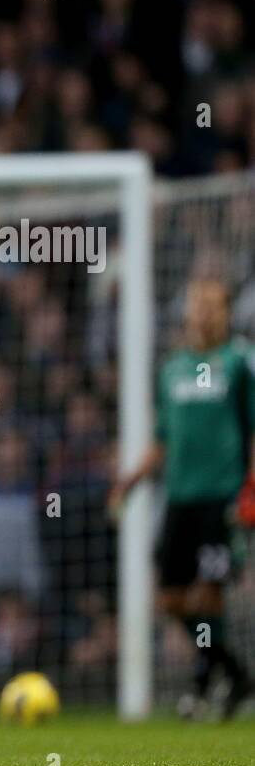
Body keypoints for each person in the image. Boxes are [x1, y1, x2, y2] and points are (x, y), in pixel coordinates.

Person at [111, 278, 253, 718]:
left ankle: (200, 685)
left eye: (214, 305)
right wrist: (131, 479)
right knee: (170, 599)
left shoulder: (239, 363)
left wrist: (250, 489)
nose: (206, 313)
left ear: (227, 313)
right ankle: (236, 675)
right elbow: (163, 438)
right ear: (188, 312)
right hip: (181, 498)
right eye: (199, 305)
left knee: (209, 594)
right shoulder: (173, 369)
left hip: (222, 497)